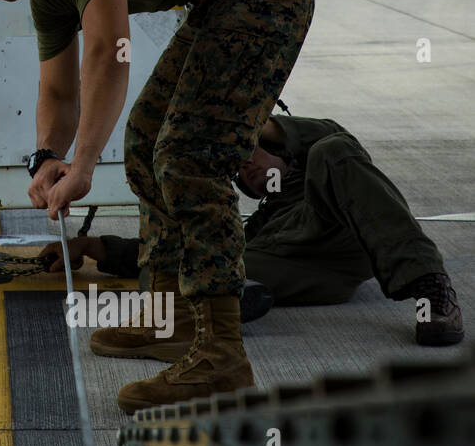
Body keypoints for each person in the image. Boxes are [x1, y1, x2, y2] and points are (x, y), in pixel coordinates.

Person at [0, 0, 315, 414]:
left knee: (187, 156)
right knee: (146, 140)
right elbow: (60, 90)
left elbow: (109, 51)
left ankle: (223, 353)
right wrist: (47, 159)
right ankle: (172, 316)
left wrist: (83, 165)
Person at [40, 113, 464, 350]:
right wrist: (96, 247)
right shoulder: (269, 216)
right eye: (240, 173)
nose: (247, 170)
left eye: (247, 157)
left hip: (345, 235)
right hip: (308, 271)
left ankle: (430, 287)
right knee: (187, 264)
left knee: (333, 152)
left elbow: (335, 138)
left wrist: (245, 125)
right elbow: (203, 246)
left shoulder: (319, 160)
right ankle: (225, 297)